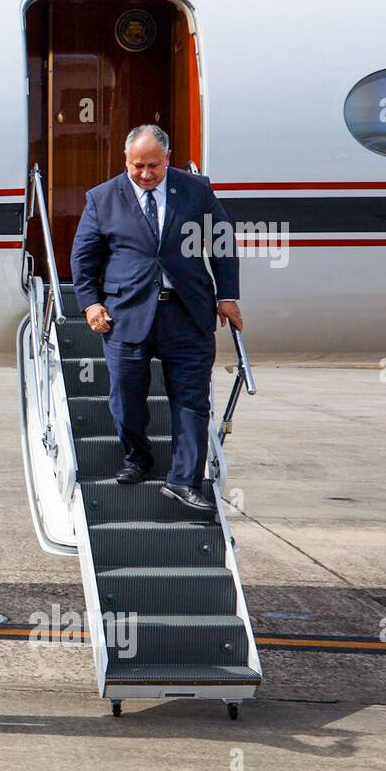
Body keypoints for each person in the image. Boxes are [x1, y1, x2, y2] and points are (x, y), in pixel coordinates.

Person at [70, 124, 241, 510]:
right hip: (126, 314)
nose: (145, 174)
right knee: (126, 398)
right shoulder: (102, 197)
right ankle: (137, 458)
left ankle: (184, 480)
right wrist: (91, 303)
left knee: (192, 401)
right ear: (125, 161)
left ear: (168, 159)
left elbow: (222, 242)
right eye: (137, 166)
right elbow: (83, 258)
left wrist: (227, 295)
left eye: (153, 166)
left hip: (187, 312)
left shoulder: (196, 189)